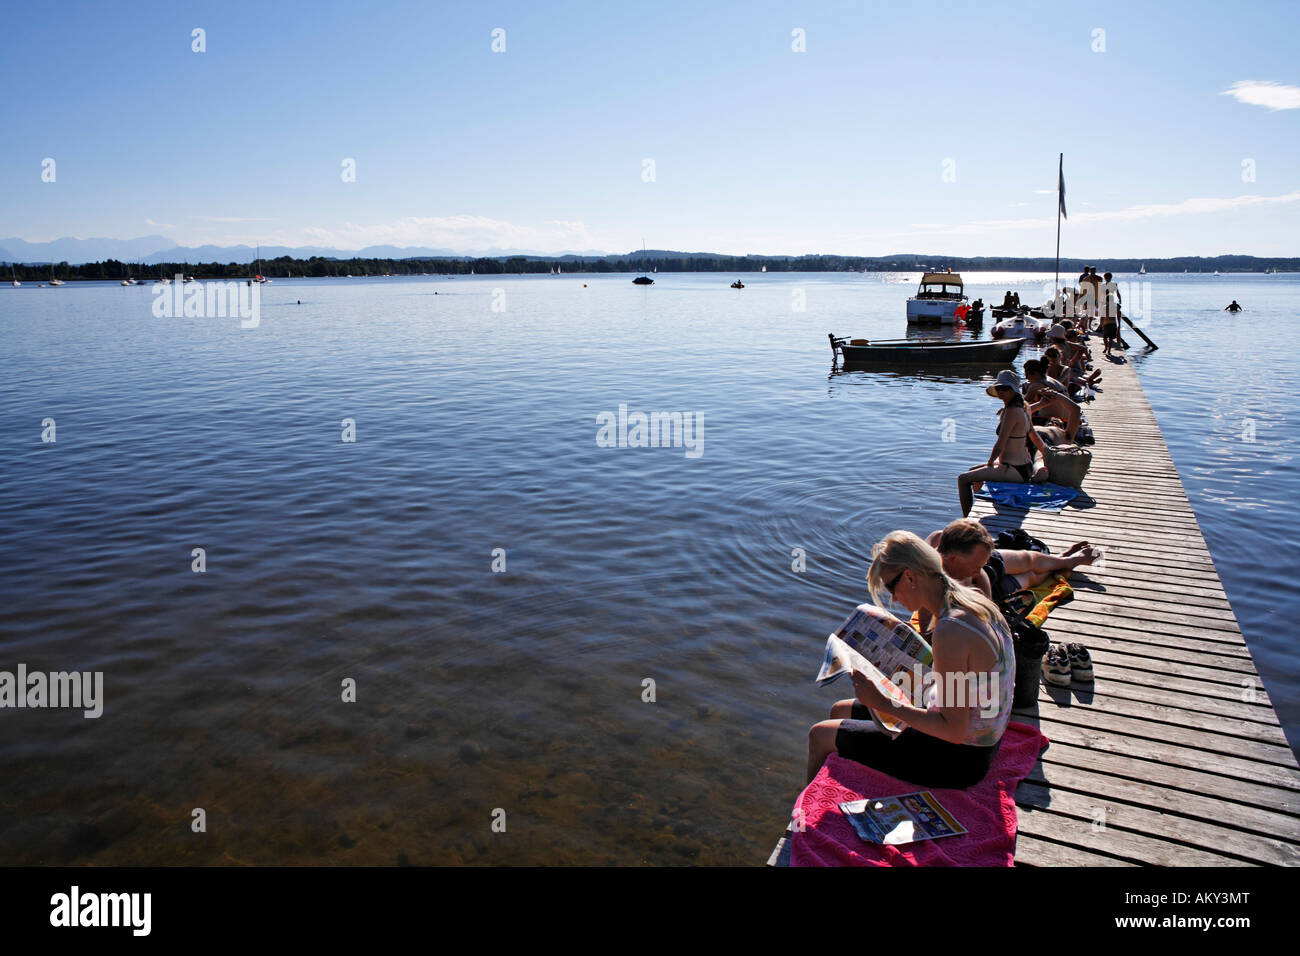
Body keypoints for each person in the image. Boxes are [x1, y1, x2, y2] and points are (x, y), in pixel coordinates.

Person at [805, 531, 1016, 788]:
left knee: (820, 735)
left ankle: (800, 821)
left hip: (962, 758)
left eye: (891, 587)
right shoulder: (972, 601)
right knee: (840, 709)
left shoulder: (951, 630)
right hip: (981, 734)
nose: (893, 598)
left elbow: (954, 730)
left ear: (910, 577)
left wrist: (884, 702)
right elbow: (968, 685)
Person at [923, 519, 1100, 609]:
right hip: (993, 587)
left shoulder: (945, 543)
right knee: (1032, 577)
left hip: (981, 561)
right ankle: (1064, 562)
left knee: (1028, 559)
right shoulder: (931, 573)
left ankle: (1066, 560)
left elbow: (981, 572)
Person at [957, 370, 1048, 516]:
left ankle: (966, 518)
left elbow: (1001, 443)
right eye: (999, 388)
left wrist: (990, 462)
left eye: (1005, 388)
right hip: (1024, 467)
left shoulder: (1012, 411)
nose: (1001, 391)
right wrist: (1047, 452)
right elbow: (1034, 436)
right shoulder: (1025, 408)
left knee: (963, 479)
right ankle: (980, 505)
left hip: (1013, 469)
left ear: (1014, 390)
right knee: (972, 470)